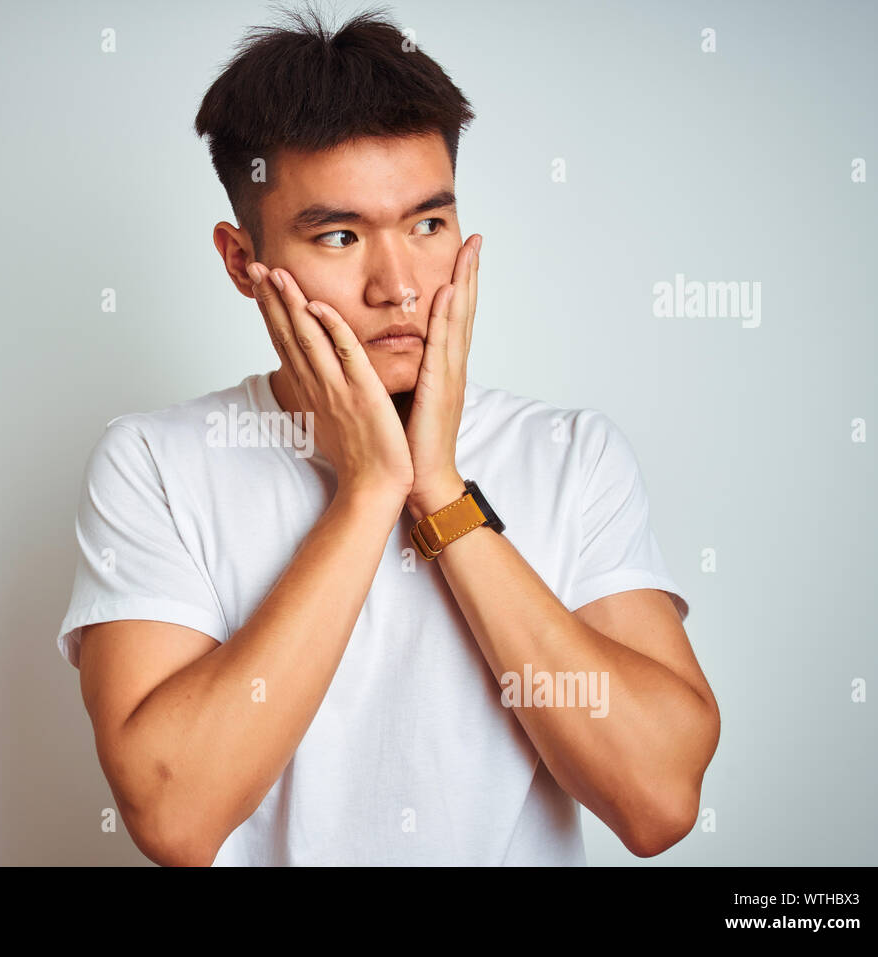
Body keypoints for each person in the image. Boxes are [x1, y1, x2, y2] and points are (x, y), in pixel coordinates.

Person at [55, 6, 719, 866]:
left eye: (428, 224)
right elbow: (176, 818)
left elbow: (659, 800)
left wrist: (438, 489)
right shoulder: (154, 462)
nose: (399, 285)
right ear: (239, 260)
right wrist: (370, 490)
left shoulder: (571, 455)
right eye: (339, 235)